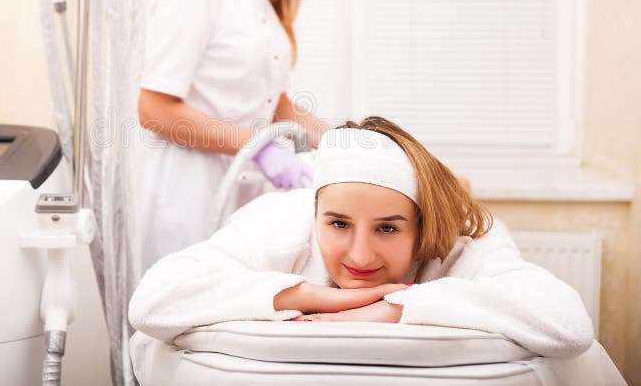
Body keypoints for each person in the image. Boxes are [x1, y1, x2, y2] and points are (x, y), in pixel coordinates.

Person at [129, 116, 595, 360]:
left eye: (388, 228)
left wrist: (391, 307)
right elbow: (151, 303)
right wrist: (316, 298)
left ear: (422, 224)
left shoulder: (455, 243)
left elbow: (569, 327)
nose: (359, 254)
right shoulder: (282, 221)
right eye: (338, 224)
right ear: (314, 213)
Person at [137, 0, 329, 270]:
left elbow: (273, 103)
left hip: (240, 200)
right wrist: (259, 149)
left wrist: (340, 141)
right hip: (187, 198)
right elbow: (154, 110)